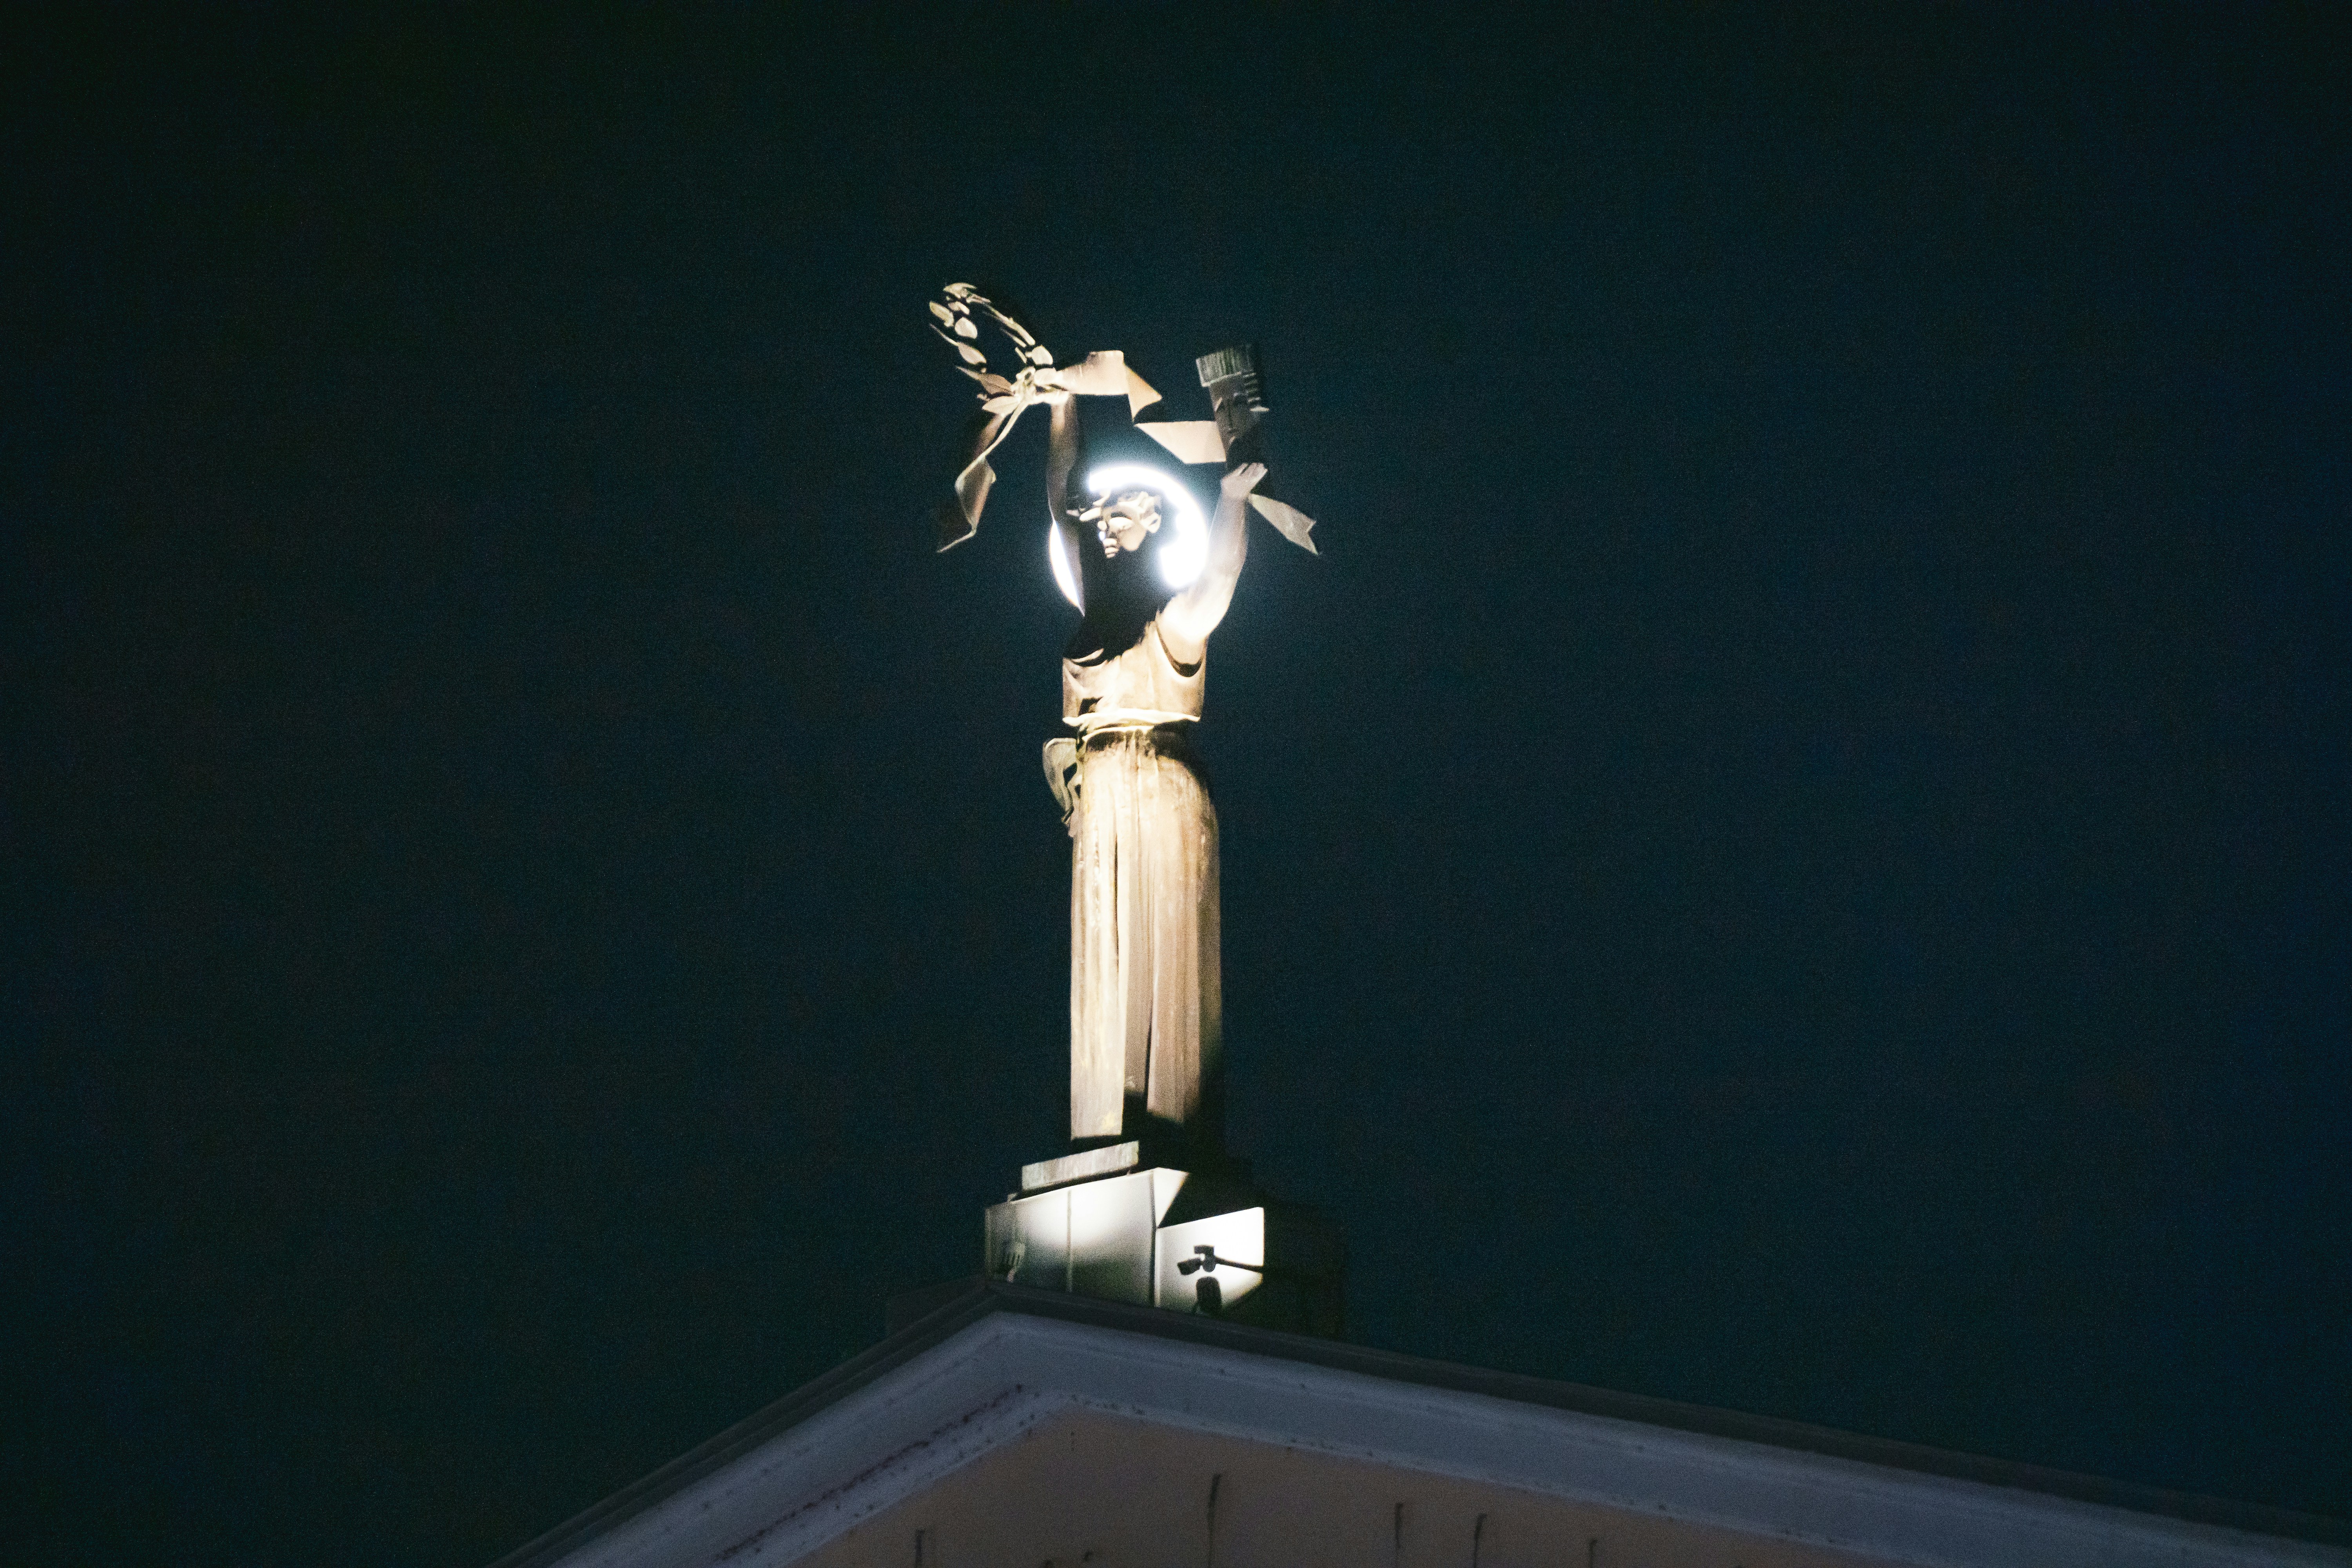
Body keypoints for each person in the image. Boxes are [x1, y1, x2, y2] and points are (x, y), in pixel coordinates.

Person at [1040, 387, 1267, 1143]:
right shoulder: (1089, 615)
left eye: (1122, 516)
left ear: (1156, 524)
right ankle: (1101, 1131)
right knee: (1103, 962)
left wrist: (1232, 499)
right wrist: (1060, 407)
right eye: (1102, 518)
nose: (1104, 527)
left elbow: (1222, 578)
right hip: (1101, 789)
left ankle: (1171, 1129)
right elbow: (1058, 502)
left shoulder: (1172, 618)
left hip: (1163, 784)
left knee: (1162, 954)